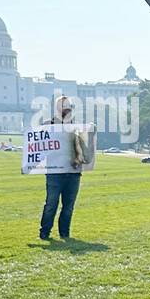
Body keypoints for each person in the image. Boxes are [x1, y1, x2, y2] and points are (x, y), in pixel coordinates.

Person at [38, 97, 86, 241]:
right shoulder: (48, 125)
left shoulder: (76, 127)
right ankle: (45, 231)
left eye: (69, 107)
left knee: (68, 206)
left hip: (73, 172)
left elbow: (80, 147)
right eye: (64, 107)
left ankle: (64, 233)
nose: (67, 110)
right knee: (51, 204)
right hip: (55, 172)